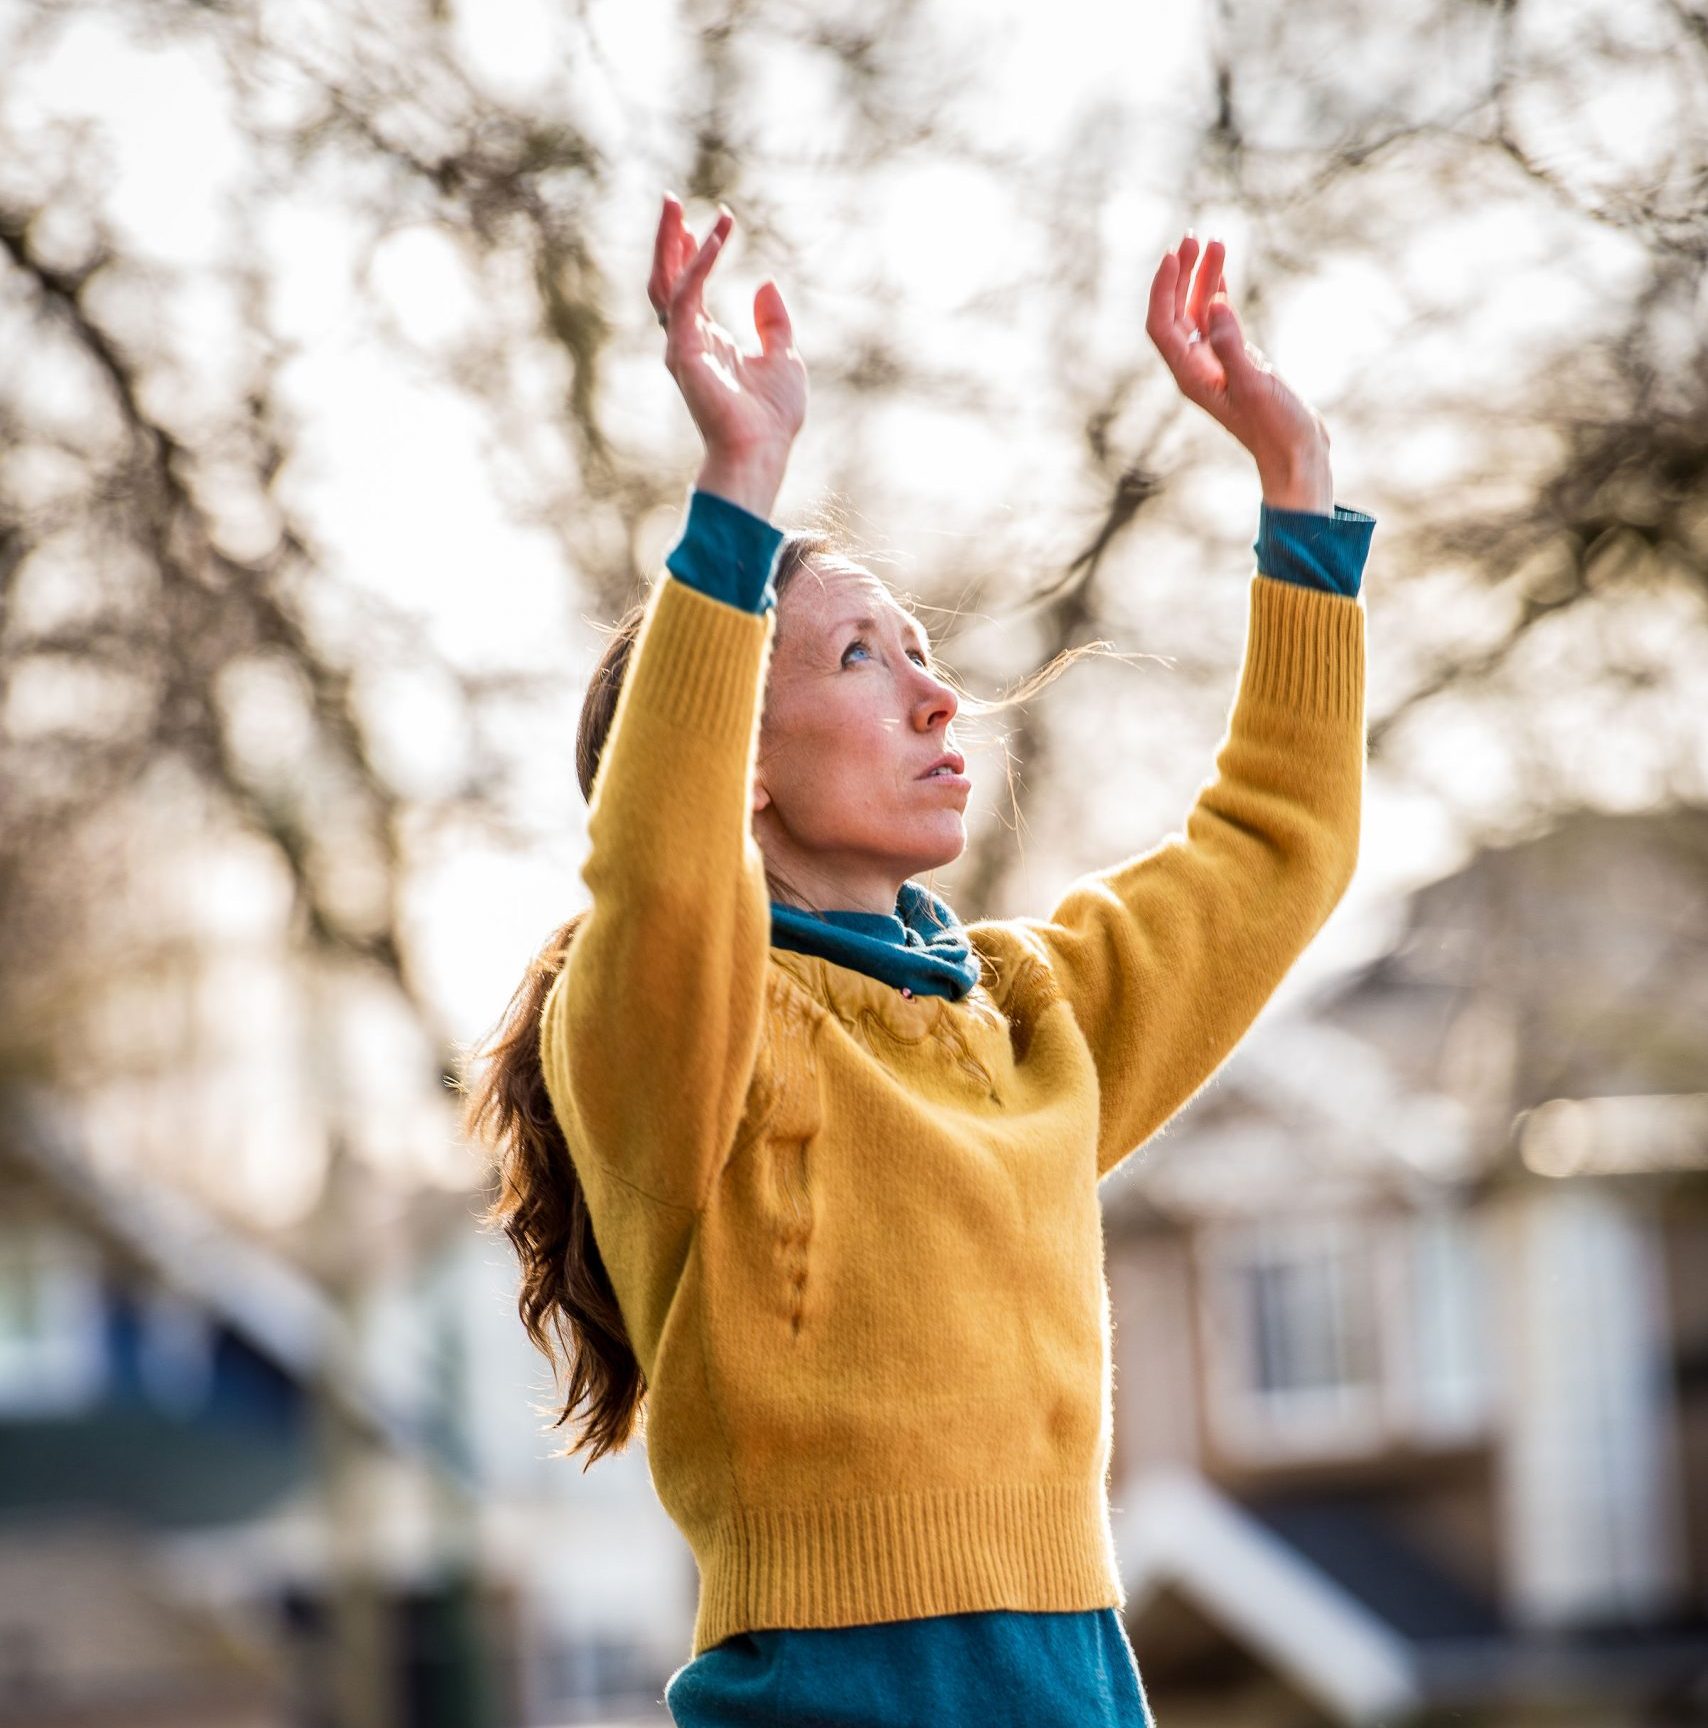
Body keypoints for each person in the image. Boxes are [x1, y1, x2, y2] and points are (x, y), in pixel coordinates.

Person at [462, 192, 1374, 1727]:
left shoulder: (1028, 1017)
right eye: (861, 659)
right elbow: (664, 881)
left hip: (1082, 1675)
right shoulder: (674, 1031)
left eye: (924, 649)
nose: (941, 699)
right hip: (837, 1691)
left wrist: (1298, 486)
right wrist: (739, 490)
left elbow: (1278, 847)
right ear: (733, 766)